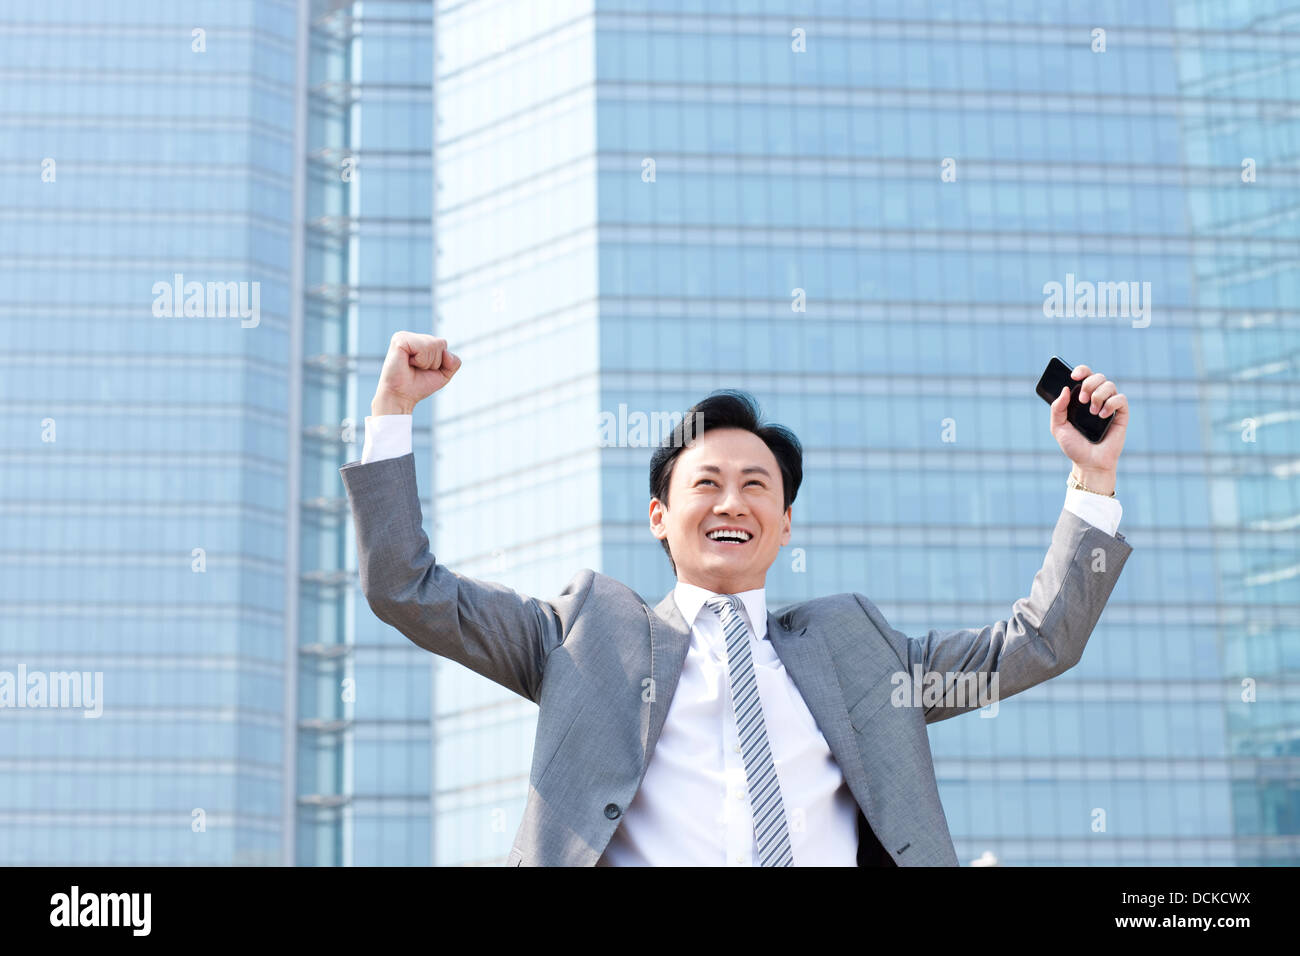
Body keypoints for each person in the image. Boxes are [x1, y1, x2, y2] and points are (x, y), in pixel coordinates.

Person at [340, 332, 1133, 866]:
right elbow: (406, 587)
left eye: (757, 486)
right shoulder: (582, 635)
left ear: (785, 524)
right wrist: (393, 415)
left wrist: (1092, 480)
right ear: (660, 515)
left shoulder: (855, 647)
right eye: (706, 484)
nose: (732, 503)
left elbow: (1035, 644)